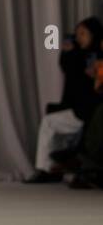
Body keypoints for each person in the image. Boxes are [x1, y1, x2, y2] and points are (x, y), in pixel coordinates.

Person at [25, 16, 103, 183]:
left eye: (83, 33)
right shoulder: (79, 54)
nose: (79, 38)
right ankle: (53, 168)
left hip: (88, 112)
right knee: (55, 126)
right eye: (77, 34)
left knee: (50, 123)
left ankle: (46, 168)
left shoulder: (94, 55)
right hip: (82, 111)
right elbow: (69, 67)